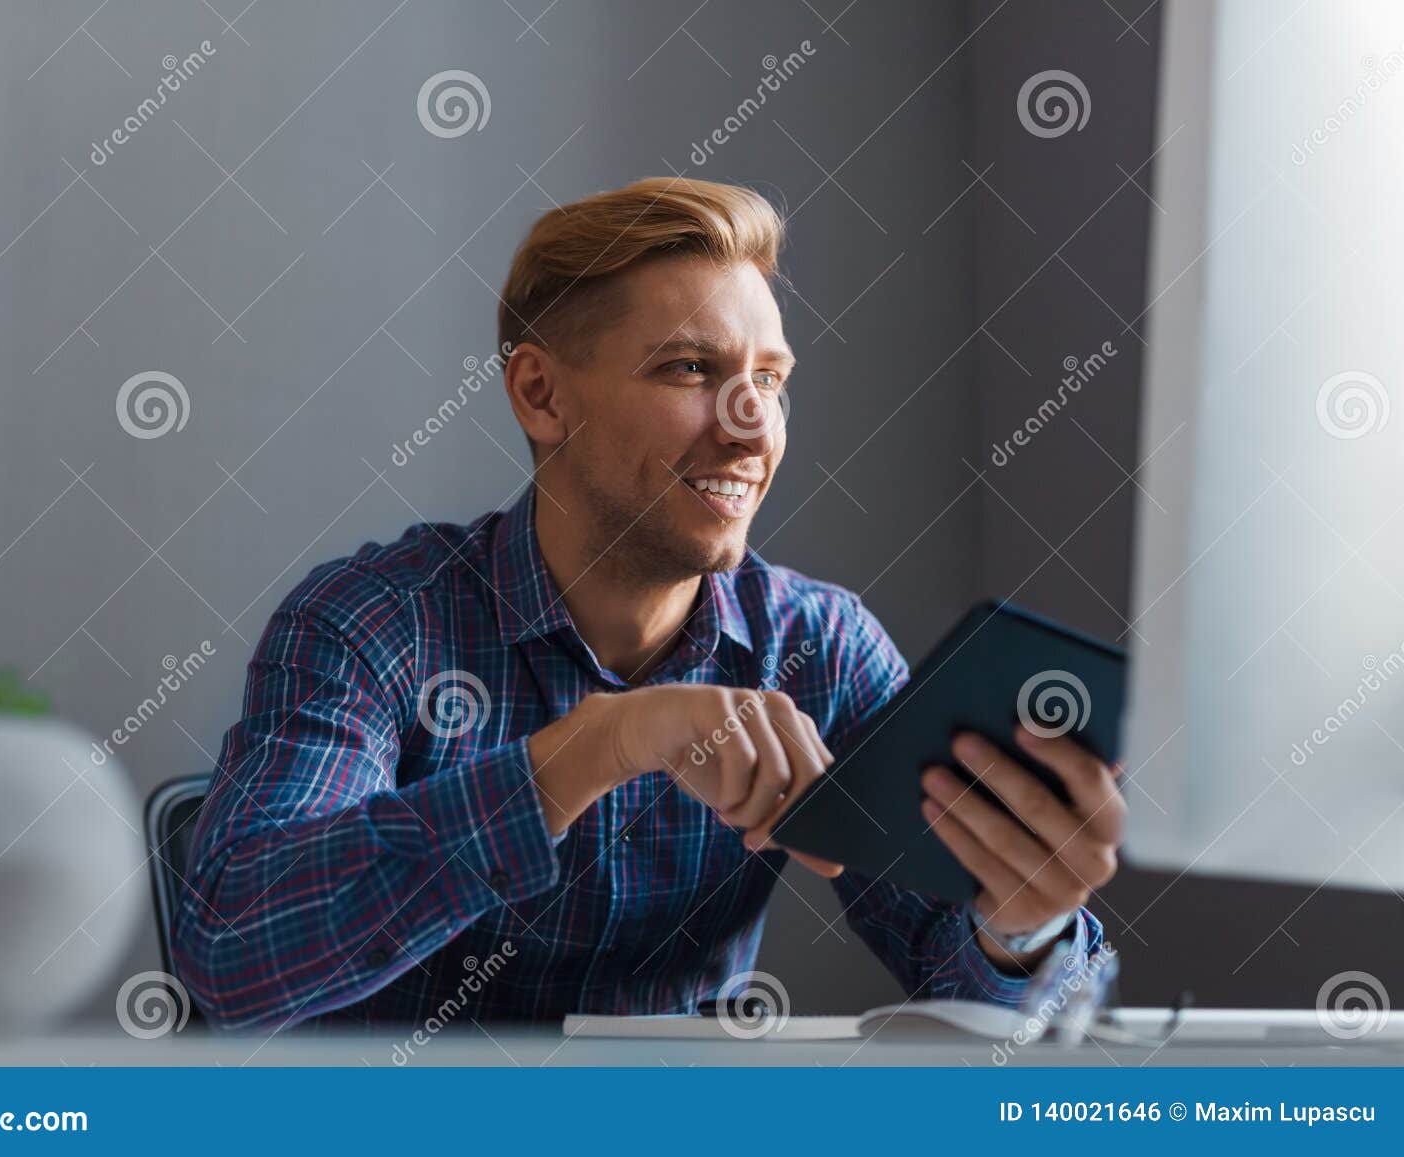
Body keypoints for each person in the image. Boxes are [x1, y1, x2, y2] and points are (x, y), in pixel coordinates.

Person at [172, 177, 1124, 1032]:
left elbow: (992, 1004)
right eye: (690, 370)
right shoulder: (373, 621)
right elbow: (235, 957)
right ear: (541, 394)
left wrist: (1020, 923)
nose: (753, 428)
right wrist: (601, 745)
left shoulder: (817, 646)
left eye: (770, 380)